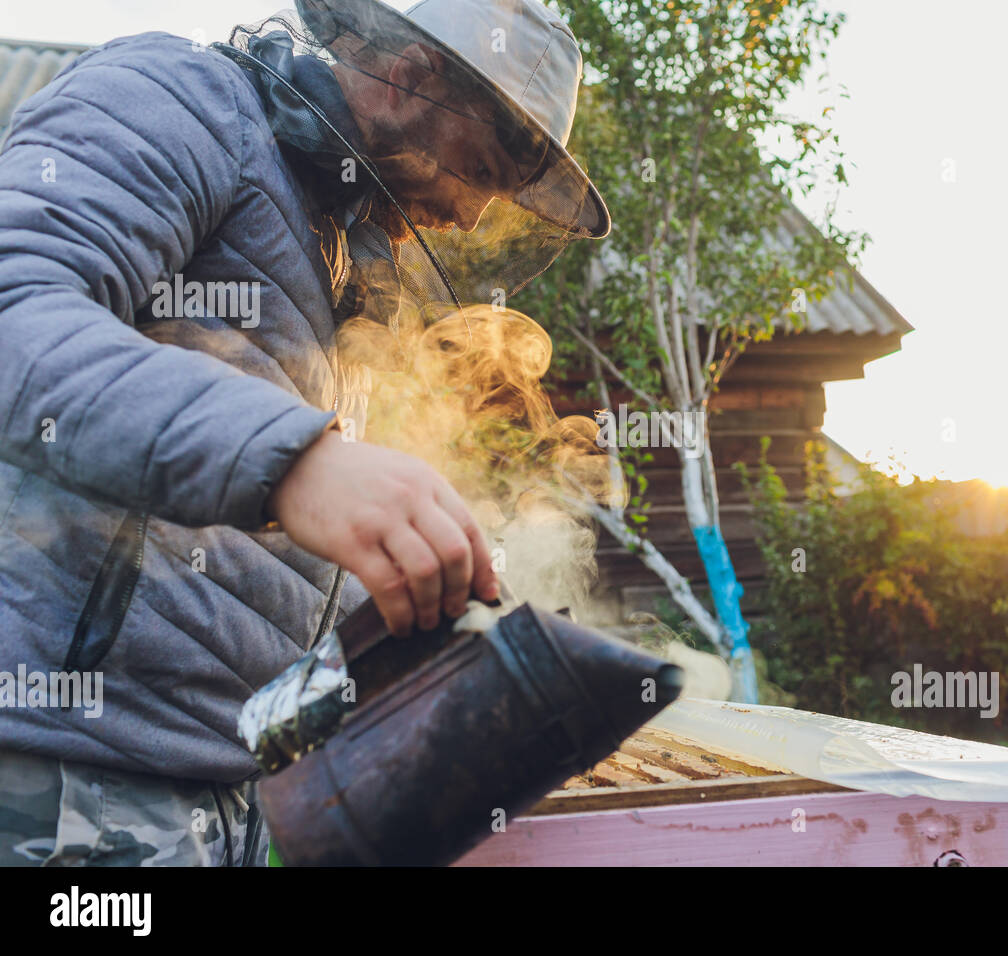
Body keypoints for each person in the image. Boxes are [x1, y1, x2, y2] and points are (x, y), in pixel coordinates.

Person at [0, 0, 609, 866]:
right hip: (63, 780)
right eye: (476, 167)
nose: (474, 218)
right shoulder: (182, 97)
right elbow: (15, 311)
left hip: (226, 797)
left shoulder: (337, 251)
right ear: (406, 81)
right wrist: (295, 463)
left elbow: (243, 567)